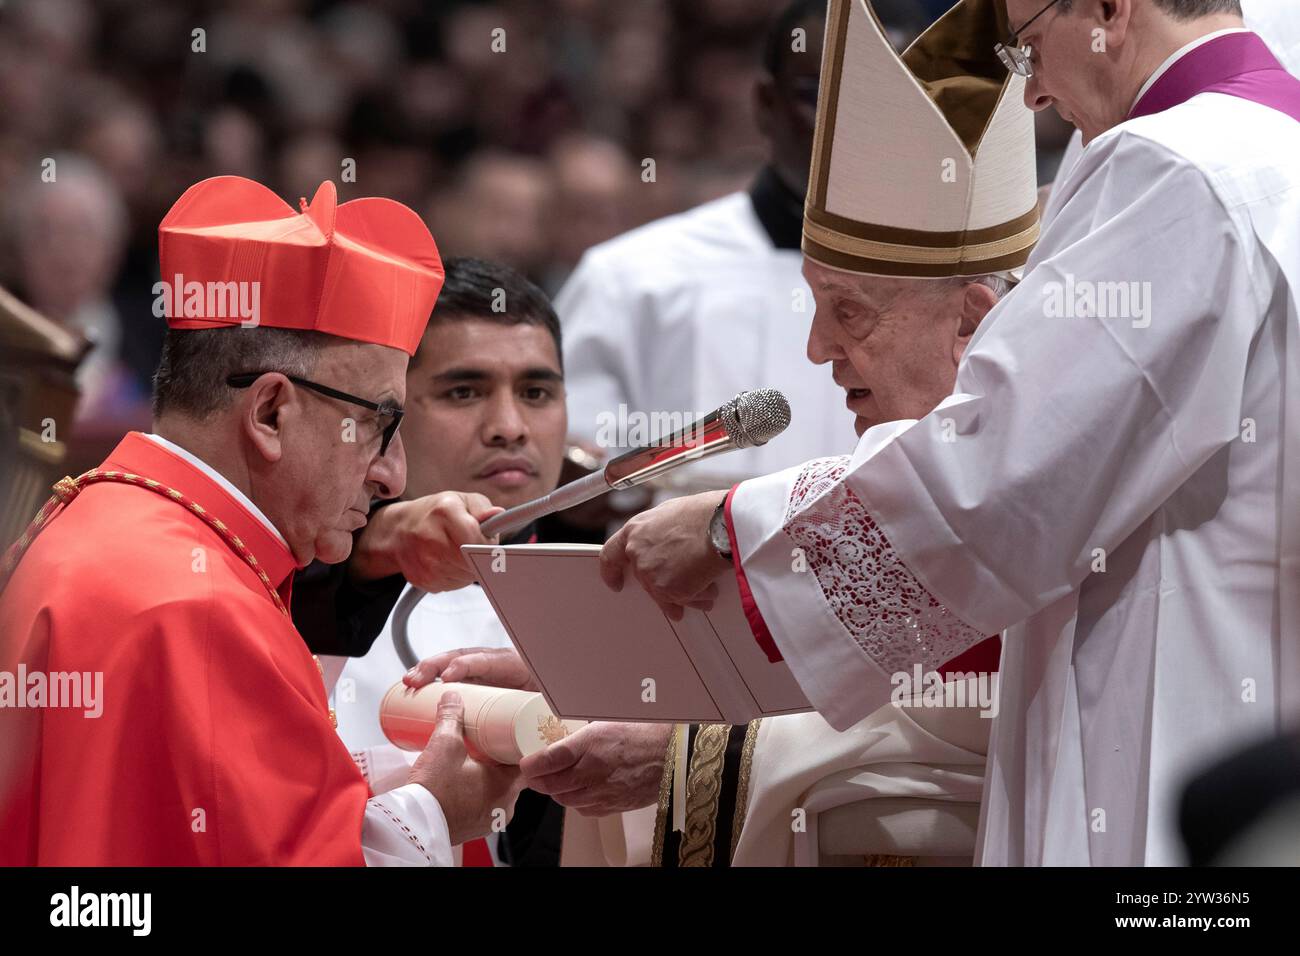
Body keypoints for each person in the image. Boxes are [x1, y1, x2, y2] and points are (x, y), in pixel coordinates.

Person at [597, 0, 1300, 866]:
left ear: (1110, 12)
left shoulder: (1173, 166)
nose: (1032, 93)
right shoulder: (1270, 149)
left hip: (1178, 696)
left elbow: (1007, 474)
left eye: (1029, 46)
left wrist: (731, 525)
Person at [409, 0, 1038, 865]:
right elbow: (820, 646)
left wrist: (685, 754)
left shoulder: (1036, 476)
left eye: (849, 312)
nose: (816, 351)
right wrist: (586, 674)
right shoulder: (647, 276)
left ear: (972, 319)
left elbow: (972, 724)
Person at [0, 175, 520, 865]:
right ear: (271, 411)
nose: (394, 474)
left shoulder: (101, 518)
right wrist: (432, 810)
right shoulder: (200, 606)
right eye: (379, 423)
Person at [556, 0, 855, 512]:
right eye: (816, 96)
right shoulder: (630, 277)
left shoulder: (966, 288)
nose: (849, 129)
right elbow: (567, 477)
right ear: (765, 102)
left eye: (879, 106)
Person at [324, 256, 570, 866]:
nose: (509, 427)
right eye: (465, 391)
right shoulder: (311, 609)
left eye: (536, 392)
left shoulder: (628, 599)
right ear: (391, 417)